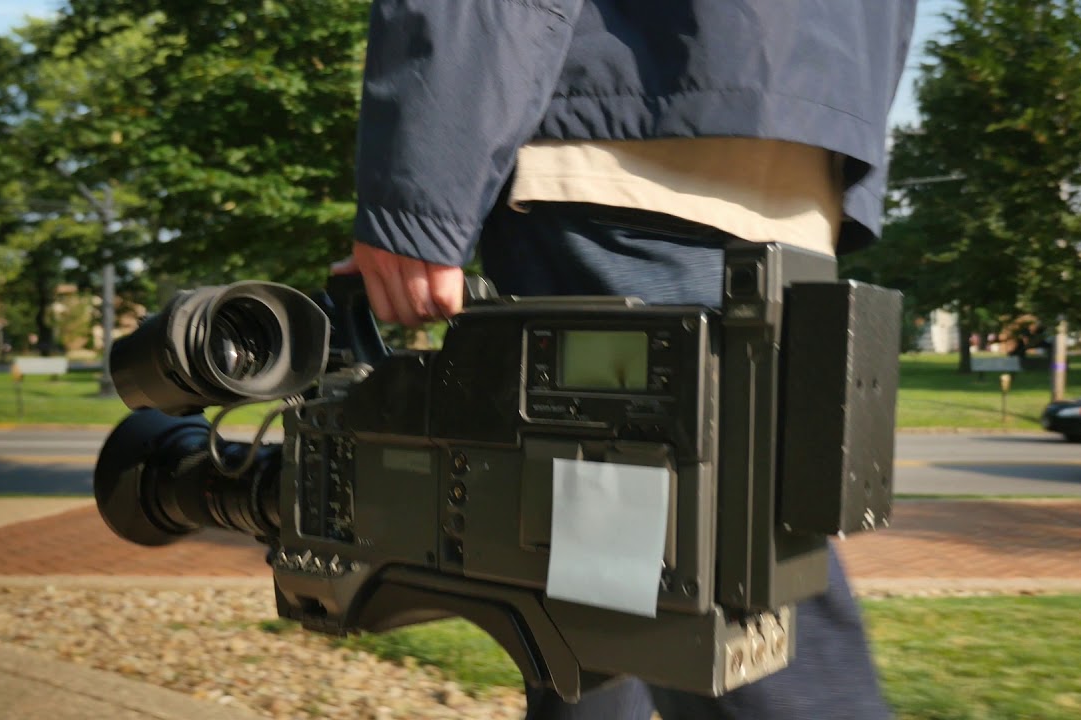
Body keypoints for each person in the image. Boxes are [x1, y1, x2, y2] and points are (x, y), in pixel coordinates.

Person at [333, 3, 916, 719]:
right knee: (602, 602)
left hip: (616, 151)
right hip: (791, 149)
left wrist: (419, 191)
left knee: (706, 589)